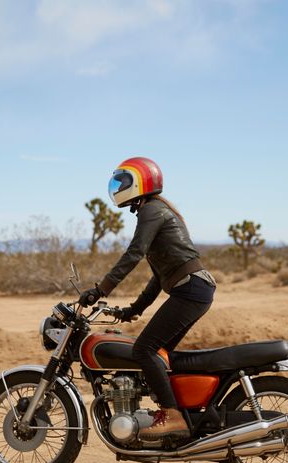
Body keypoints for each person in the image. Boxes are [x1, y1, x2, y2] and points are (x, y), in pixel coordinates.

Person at [78, 157, 216, 441]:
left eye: (124, 181)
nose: (119, 187)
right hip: (193, 289)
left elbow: (133, 253)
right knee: (160, 355)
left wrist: (100, 290)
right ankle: (182, 414)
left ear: (142, 181)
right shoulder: (157, 211)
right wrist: (133, 310)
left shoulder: (152, 210)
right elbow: (157, 279)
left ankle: (173, 416)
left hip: (190, 290)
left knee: (143, 350)